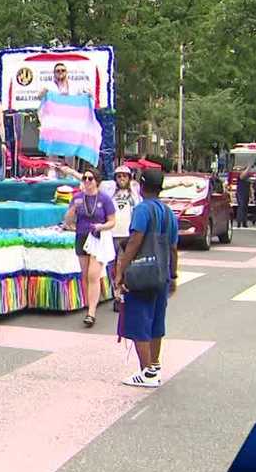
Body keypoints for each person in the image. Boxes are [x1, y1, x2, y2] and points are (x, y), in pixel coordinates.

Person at [113, 168, 179, 388]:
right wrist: (173, 275)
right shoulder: (168, 212)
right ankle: (155, 365)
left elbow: (135, 240)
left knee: (139, 321)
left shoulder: (142, 209)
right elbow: (173, 247)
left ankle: (147, 372)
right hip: (161, 274)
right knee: (156, 322)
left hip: (142, 274)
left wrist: (121, 270)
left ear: (141, 186)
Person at [62, 168, 116, 327]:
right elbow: (67, 221)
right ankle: (89, 304)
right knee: (85, 275)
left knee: (93, 275)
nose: (86, 181)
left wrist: (101, 226)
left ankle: (91, 312)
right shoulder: (77, 198)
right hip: (82, 236)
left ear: (96, 181)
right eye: (84, 178)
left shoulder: (104, 199)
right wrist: (72, 209)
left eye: (90, 178)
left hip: (98, 237)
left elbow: (112, 221)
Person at [101, 166, 141, 311]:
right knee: (110, 265)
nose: (122, 179)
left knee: (121, 266)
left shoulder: (135, 193)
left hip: (127, 236)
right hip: (111, 234)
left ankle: (119, 296)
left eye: (125, 176)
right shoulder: (109, 192)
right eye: (119, 176)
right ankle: (112, 292)